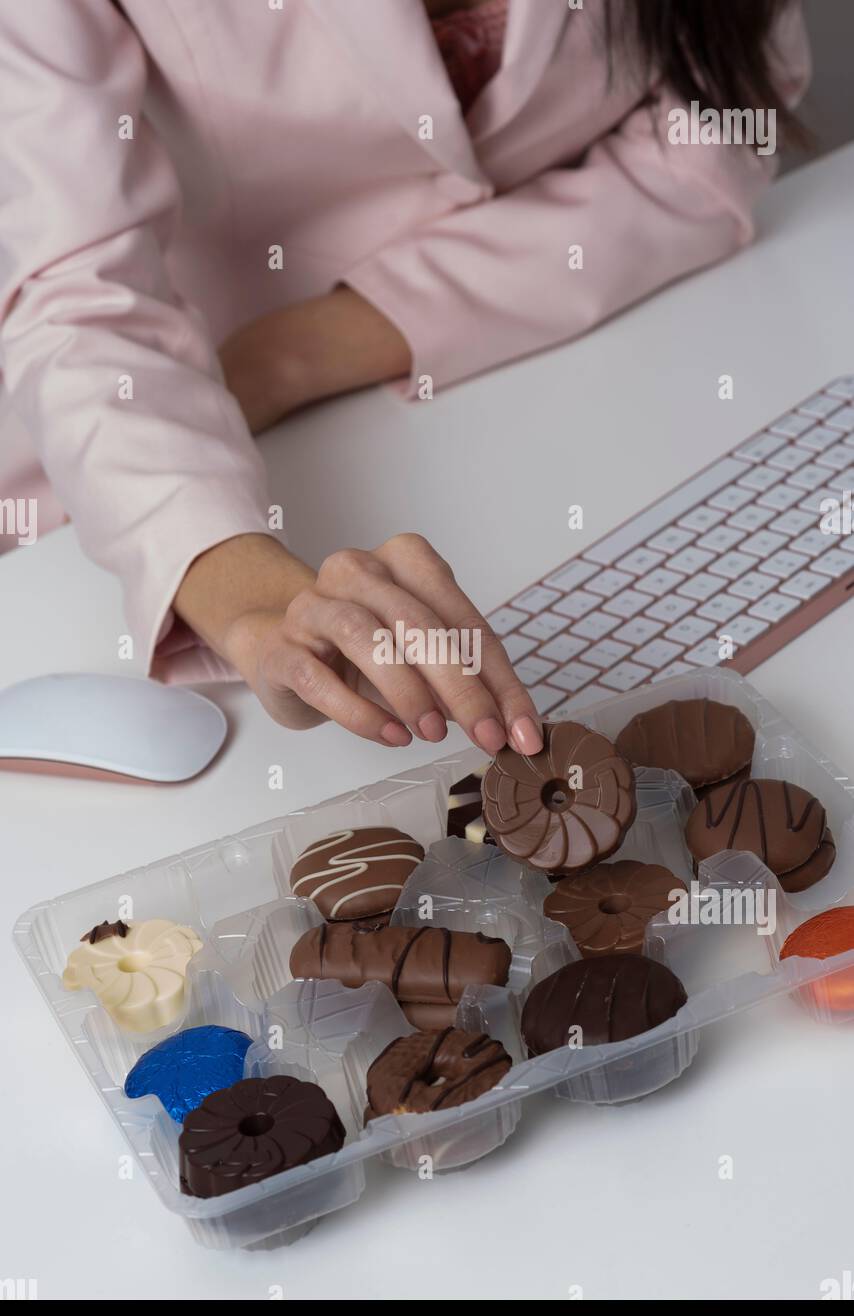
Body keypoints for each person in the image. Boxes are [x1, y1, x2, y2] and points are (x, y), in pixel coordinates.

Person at [0, 1, 809, 756]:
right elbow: (79, 292)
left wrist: (301, 353)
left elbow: (726, 126)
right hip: (123, 459)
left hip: (515, 393)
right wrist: (246, 592)